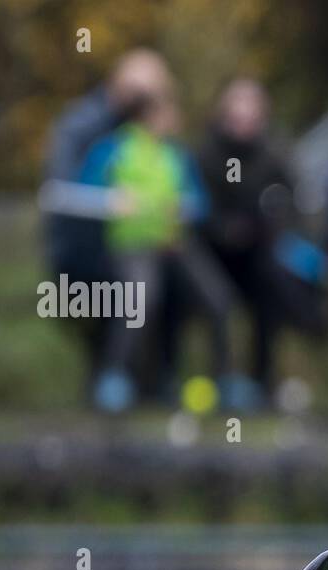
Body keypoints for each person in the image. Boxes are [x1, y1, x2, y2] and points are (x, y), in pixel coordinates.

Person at [77, 90, 240, 412]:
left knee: (219, 298)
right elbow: (85, 189)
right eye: (168, 111)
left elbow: (200, 202)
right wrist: (113, 199)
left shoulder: (176, 154)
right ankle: (114, 378)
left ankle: (225, 379)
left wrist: (184, 208)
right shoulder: (114, 149)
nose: (174, 119)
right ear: (148, 115)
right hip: (132, 244)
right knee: (141, 300)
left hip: (173, 243)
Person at [41, 49, 174, 386]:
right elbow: (56, 192)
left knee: (181, 280)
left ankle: (152, 382)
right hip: (82, 253)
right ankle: (114, 381)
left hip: (135, 248)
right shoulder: (82, 125)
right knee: (136, 289)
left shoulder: (150, 135)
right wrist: (110, 202)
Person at [199, 78, 314, 405]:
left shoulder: (273, 153)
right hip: (215, 254)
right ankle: (221, 381)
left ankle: (263, 380)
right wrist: (226, 230)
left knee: (273, 288)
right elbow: (200, 210)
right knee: (216, 298)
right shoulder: (207, 154)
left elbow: (293, 203)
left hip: (259, 257)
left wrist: (274, 225)